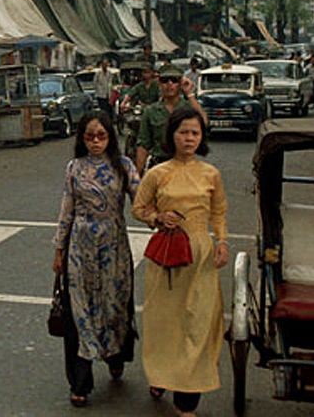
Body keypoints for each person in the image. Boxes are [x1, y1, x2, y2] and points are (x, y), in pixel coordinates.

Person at [132, 106, 229, 417]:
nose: (189, 138)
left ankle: (187, 395)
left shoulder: (211, 174)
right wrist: (157, 217)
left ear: (202, 138)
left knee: (198, 320)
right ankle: (162, 374)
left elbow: (219, 213)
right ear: (172, 135)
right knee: (165, 321)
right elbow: (139, 208)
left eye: (195, 133)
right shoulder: (157, 173)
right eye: (184, 132)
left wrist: (222, 242)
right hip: (167, 256)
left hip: (200, 254)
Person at [51, 111, 141, 408]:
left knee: (115, 305)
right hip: (80, 247)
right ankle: (80, 383)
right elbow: (67, 208)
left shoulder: (124, 165)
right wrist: (59, 250)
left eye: (101, 136)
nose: (95, 142)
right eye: (89, 136)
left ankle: (116, 356)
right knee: (79, 312)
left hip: (114, 246)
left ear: (110, 137)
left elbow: (142, 202)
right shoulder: (74, 168)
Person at [135, 64, 207, 172]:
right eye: (165, 80)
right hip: (159, 166)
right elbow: (143, 145)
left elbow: (204, 123)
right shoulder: (151, 111)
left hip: (185, 165)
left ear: (180, 83)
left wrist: (189, 94)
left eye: (174, 80)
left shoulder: (188, 107)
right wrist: (137, 175)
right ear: (159, 83)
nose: (170, 84)